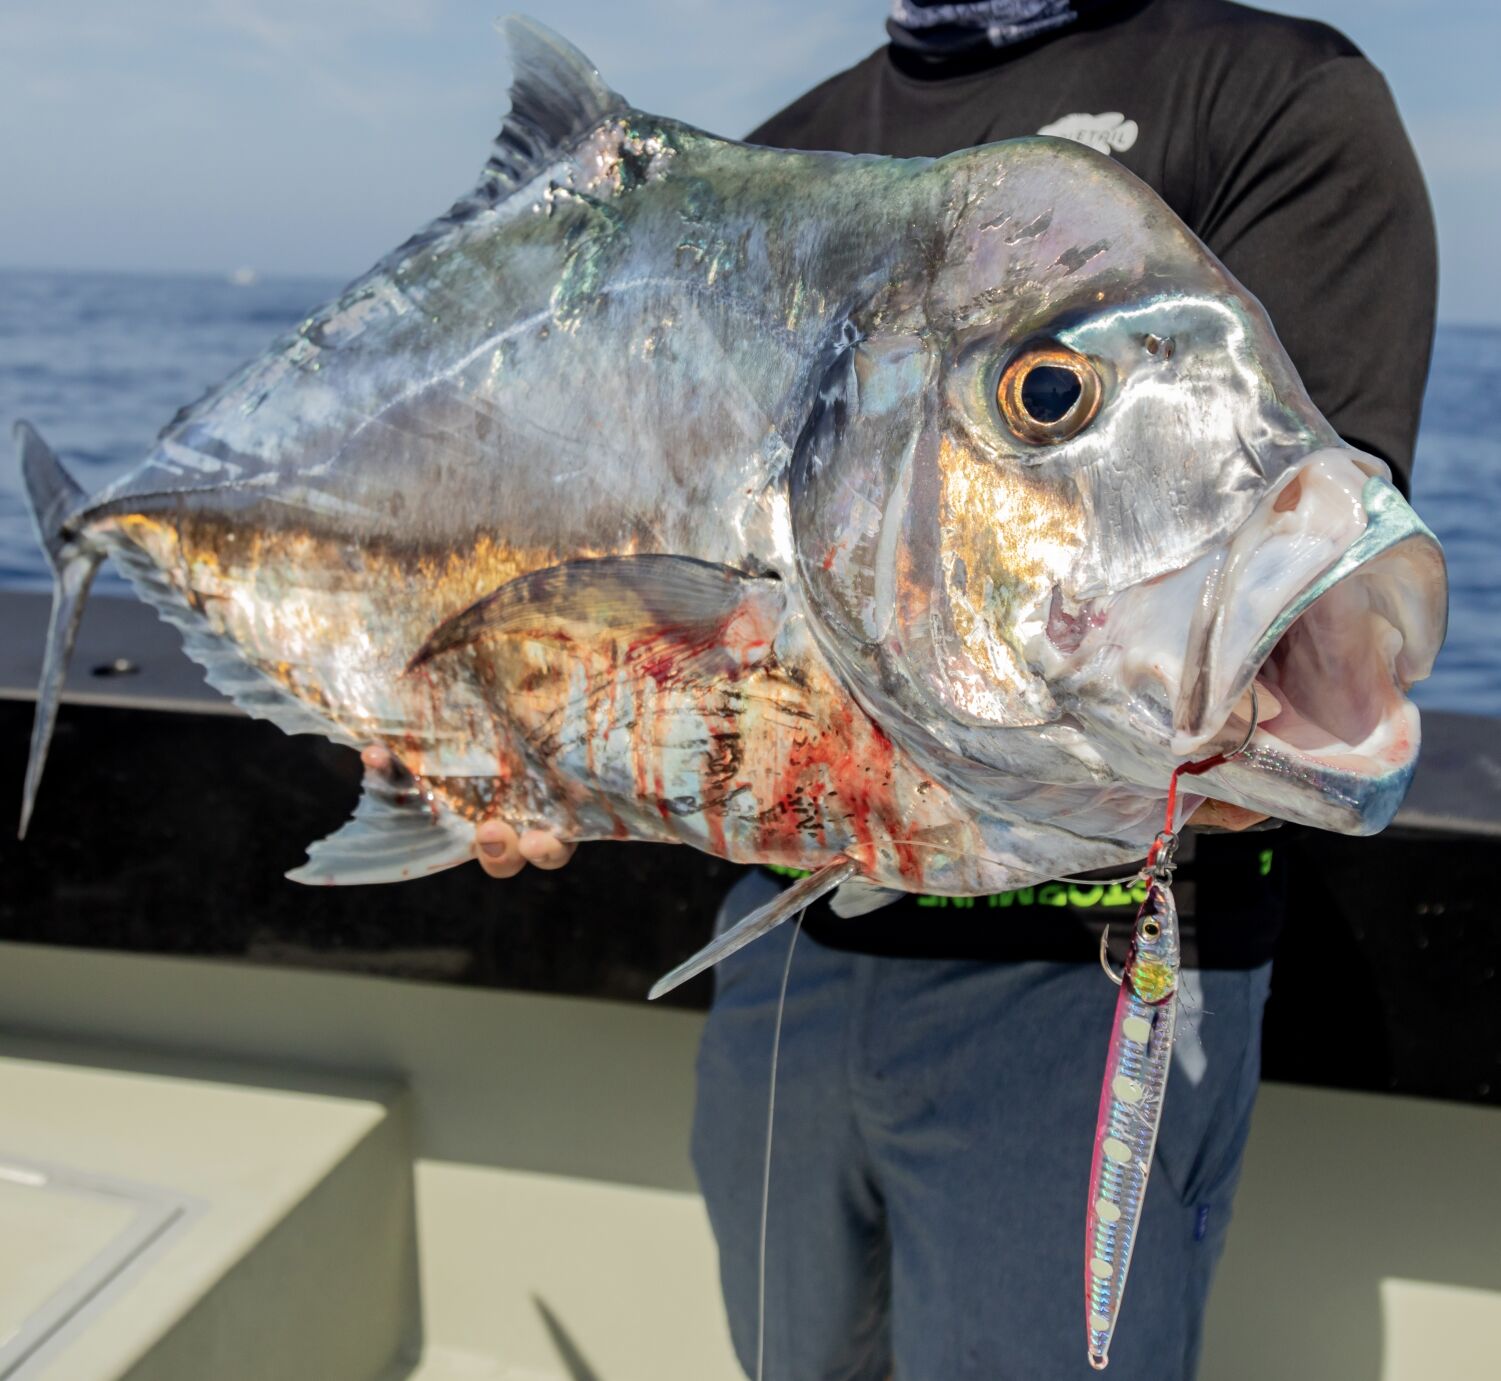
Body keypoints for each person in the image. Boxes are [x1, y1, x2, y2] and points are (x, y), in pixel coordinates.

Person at [439, 2, 1437, 1376]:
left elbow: (1291, 606)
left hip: (1089, 981)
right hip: (784, 950)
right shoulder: (788, 150)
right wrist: (524, 718)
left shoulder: (1269, 94)